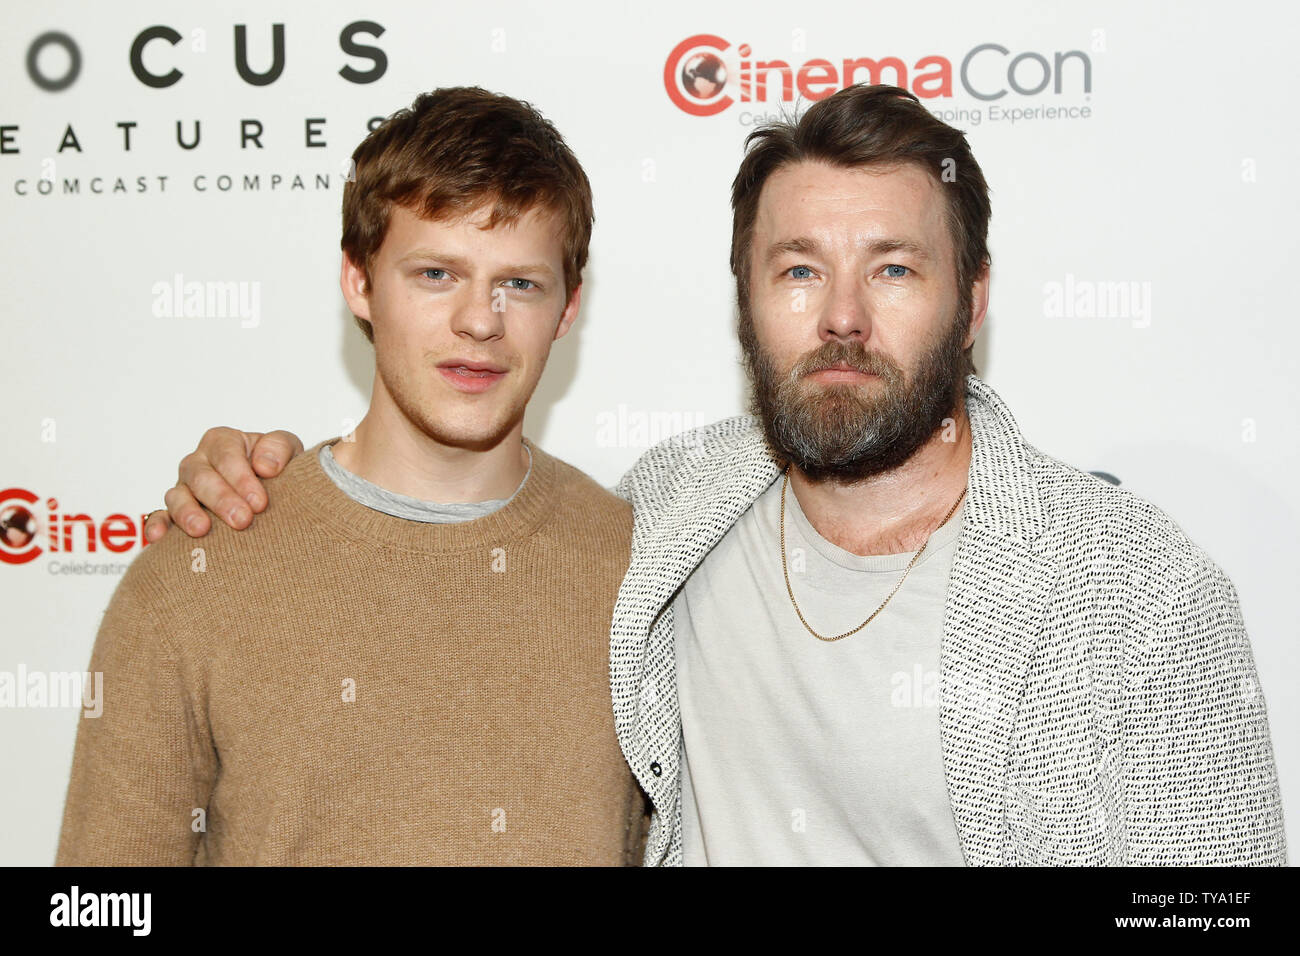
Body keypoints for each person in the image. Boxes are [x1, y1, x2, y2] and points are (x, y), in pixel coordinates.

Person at [144, 84, 1287, 866]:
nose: (841, 316)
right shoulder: (663, 513)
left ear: (972, 299)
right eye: (797, 270)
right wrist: (262, 484)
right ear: (744, 296)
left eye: (892, 267)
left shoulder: (1135, 590)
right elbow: (446, 537)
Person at [57, 86, 649, 866]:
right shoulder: (201, 564)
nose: (481, 319)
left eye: (521, 283)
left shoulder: (643, 575)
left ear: (568, 308)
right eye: (436, 274)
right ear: (359, 283)